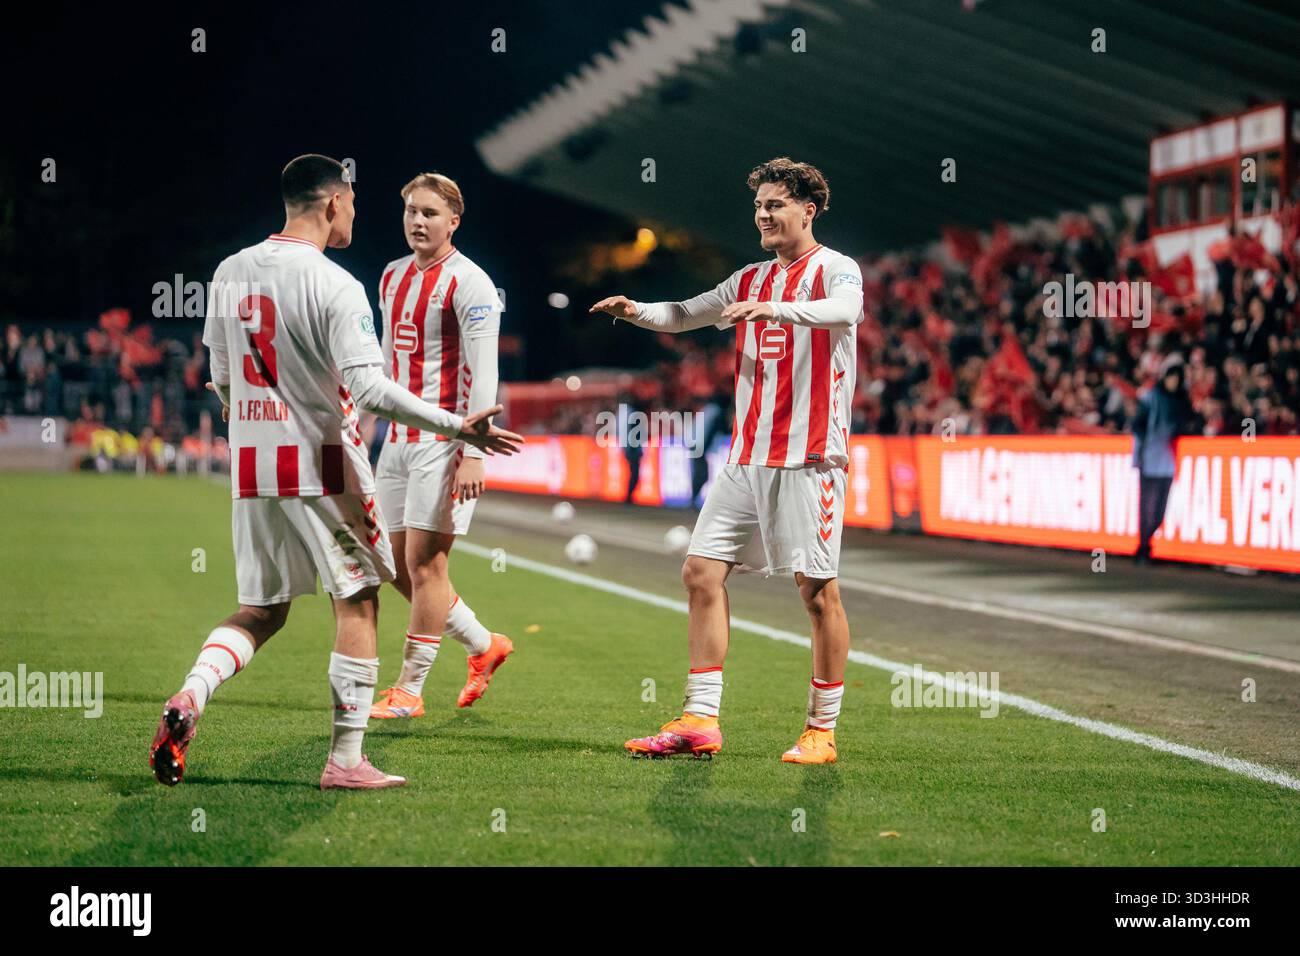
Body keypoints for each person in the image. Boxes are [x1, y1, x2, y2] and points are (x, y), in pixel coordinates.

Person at [148, 155, 521, 791]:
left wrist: (261, 421)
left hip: (251, 465)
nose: (358, 212)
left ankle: (191, 694)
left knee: (260, 611)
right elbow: (370, 389)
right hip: (323, 465)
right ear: (331, 205)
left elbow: (220, 378)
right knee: (358, 600)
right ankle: (346, 761)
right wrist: (461, 429)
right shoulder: (337, 284)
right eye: (351, 202)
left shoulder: (229, 271)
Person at [590, 157, 864, 764]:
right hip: (746, 457)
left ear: (807, 210)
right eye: (758, 206)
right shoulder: (747, 279)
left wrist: (777, 311)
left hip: (809, 457)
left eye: (775, 205)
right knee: (700, 572)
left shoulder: (836, 270)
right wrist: (635, 310)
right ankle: (700, 718)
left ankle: (821, 730)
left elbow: (843, 313)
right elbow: (684, 314)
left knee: (817, 592)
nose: (762, 215)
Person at [370, 172, 514, 719]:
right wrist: (361, 430)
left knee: (426, 563)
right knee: (393, 565)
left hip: (446, 442)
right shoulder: (390, 276)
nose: (417, 221)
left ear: (454, 221)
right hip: (397, 440)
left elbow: (484, 370)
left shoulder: (470, 283)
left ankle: (409, 690)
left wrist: (473, 450)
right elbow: (382, 364)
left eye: (429, 213)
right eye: (411, 211)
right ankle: (484, 645)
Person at [1132, 357, 1195, 565]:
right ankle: (1143, 549)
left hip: (1167, 462)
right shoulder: (1151, 398)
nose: (1174, 382)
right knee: (1148, 508)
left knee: (1158, 511)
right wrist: (1139, 455)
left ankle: (1144, 546)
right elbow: (1138, 427)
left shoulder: (1179, 402)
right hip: (1151, 459)